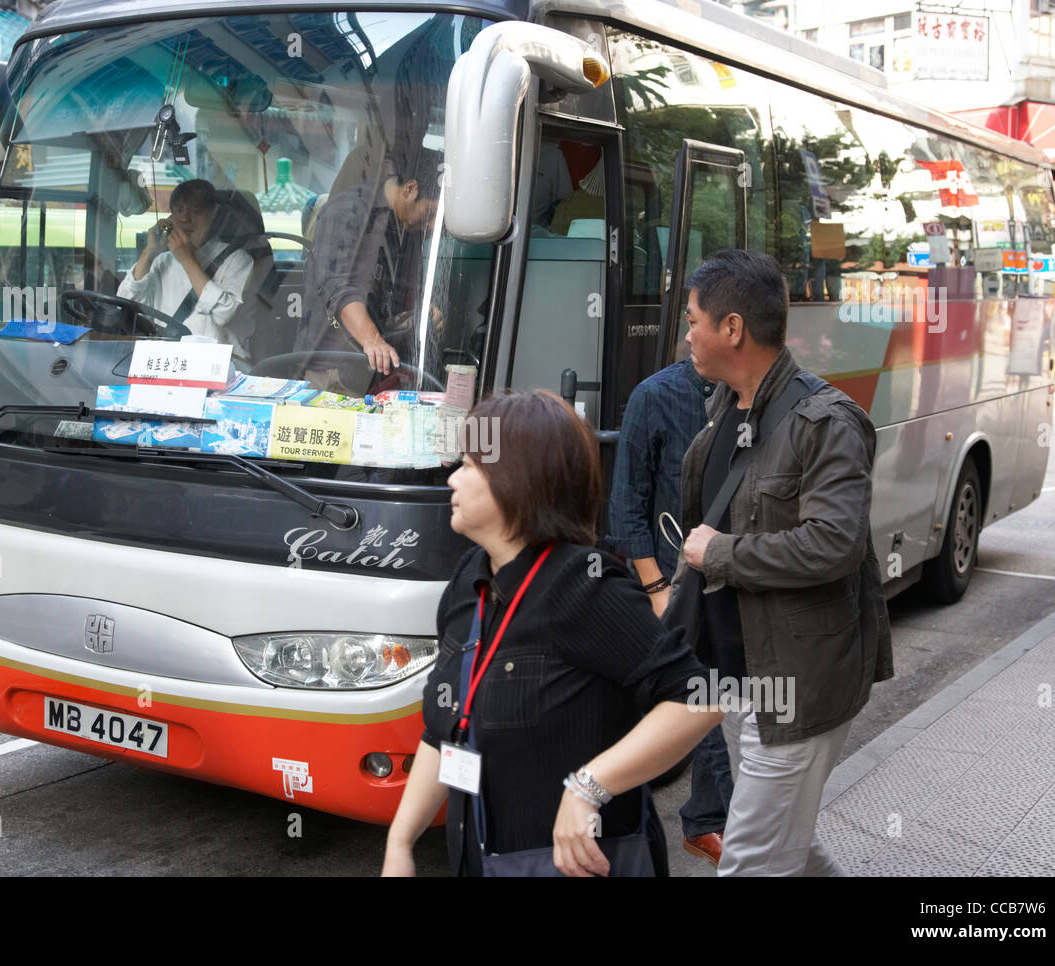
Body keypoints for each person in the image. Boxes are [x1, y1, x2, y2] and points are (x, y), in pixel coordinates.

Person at [381, 390, 721, 877]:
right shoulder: (468, 581)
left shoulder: (584, 584)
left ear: (515, 479)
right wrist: (400, 843)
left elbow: (701, 698)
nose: (452, 477)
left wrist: (588, 787)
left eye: (469, 465)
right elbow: (444, 732)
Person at [660, 248, 891, 876]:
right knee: (781, 841)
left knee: (751, 860)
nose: (687, 334)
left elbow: (834, 543)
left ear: (732, 328)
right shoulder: (726, 409)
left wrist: (722, 554)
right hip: (744, 677)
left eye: (693, 319)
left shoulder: (826, 423)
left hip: (799, 683)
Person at [609, 356, 734, 868]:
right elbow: (626, 505)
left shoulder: (756, 398)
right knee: (700, 693)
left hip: (732, 574)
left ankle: (706, 818)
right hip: (670, 583)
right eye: (686, 319)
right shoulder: (654, 396)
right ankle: (717, 821)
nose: (688, 333)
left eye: (695, 319)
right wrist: (658, 588)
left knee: (720, 695)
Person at [296, 152, 441, 389]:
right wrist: (372, 339)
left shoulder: (405, 227)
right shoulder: (347, 211)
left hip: (374, 366)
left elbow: (400, 292)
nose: (433, 225)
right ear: (410, 189)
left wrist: (421, 310)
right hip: (331, 367)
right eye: (431, 213)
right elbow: (337, 284)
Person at [118, 179, 260, 354]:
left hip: (217, 365)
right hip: (166, 362)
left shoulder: (238, 260)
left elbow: (224, 314)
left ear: (213, 215)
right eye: (178, 210)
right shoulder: (163, 260)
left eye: (196, 211)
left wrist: (186, 259)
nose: (185, 218)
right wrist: (149, 252)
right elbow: (126, 303)